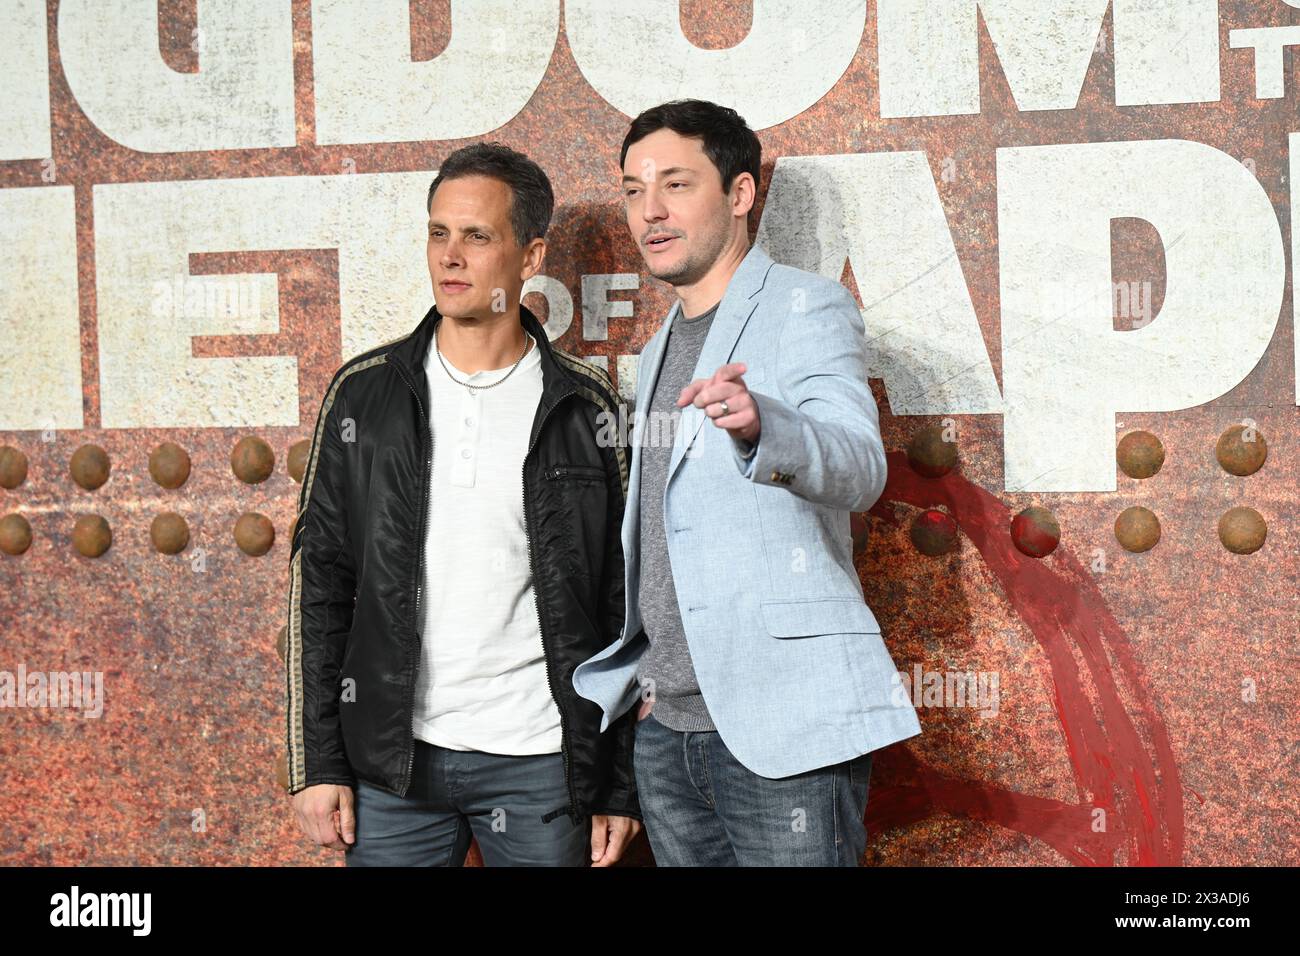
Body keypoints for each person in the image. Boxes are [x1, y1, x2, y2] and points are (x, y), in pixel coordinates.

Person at [572, 99, 922, 866]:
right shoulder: (660, 344)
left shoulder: (805, 304)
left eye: (675, 184)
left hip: (782, 722)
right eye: (632, 190)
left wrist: (765, 425)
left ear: (739, 194)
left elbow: (861, 467)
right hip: (668, 734)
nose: (650, 211)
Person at [286, 142, 640, 866]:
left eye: (477, 236)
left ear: (530, 254)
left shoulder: (585, 406)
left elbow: (624, 605)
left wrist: (617, 786)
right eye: (438, 233)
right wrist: (317, 763)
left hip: (543, 762)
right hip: (392, 766)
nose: (451, 256)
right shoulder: (365, 393)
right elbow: (320, 582)